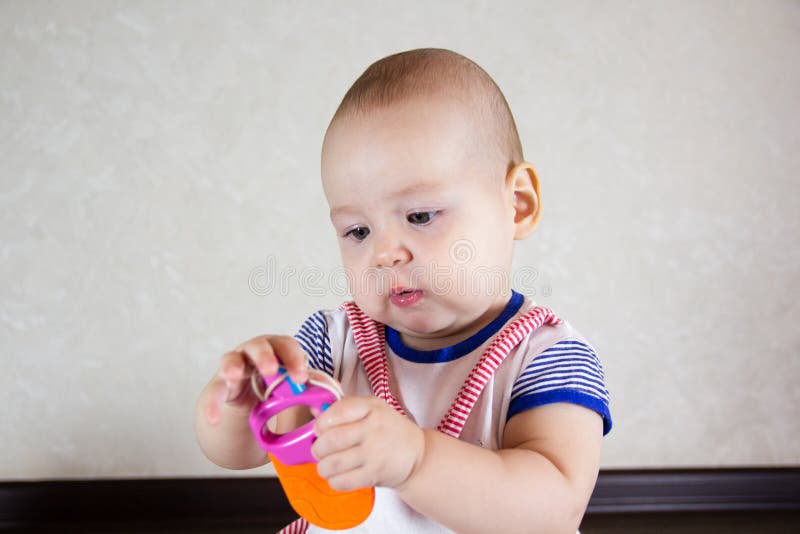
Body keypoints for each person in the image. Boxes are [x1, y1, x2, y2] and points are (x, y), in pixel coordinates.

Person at [195, 48, 612, 533]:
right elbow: (239, 452)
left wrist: (417, 460)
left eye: (419, 216)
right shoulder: (333, 344)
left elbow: (553, 509)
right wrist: (242, 405)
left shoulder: (545, 356)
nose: (385, 253)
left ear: (516, 205)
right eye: (357, 231)